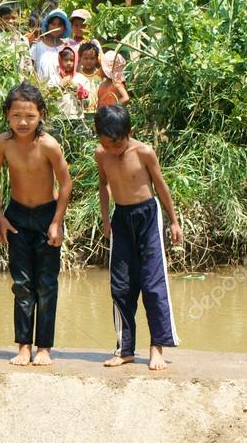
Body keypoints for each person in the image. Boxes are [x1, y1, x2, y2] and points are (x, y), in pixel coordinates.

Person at [94, 104, 183, 370]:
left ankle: (157, 348)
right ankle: (125, 349)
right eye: (106, 144)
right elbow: (103, 184)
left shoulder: (143, 152)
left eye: (117, 144)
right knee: (120, 286)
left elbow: (160, 185)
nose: (112, 150)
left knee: (153, 285)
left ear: (129, 133)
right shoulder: (102, 154)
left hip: (147, 216)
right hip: (121, 217)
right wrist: (106, 219)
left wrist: (174, 220)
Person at [0, 82, 72, 366]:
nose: (22, 122)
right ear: (7, 115)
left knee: (46, 284)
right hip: (16, 216)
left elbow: (65, 183)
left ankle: (44, 347)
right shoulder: (3, 143)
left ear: (41, 115)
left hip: (45, 215)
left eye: (29, 116)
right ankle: (24, 345)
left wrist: (57, 221)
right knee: (22, 284)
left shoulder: (48, 144)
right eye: (16, 116)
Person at [28, 9, 71, 85]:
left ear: (64, 28)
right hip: (40, 88)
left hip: (61, 88)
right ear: (47, 25)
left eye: (59, 25)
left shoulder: (66, 48)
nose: (56, 27)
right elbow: (31, 66)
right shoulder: (38, 45)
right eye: (53, 24)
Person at [72, 41, 104, 119]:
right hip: (81, 114)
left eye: (92, 58)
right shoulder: (77, 76)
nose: (89, 61)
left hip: (98, 112)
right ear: (80, 59)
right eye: (85, 58)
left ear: (97, 59)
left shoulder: (101, 75)